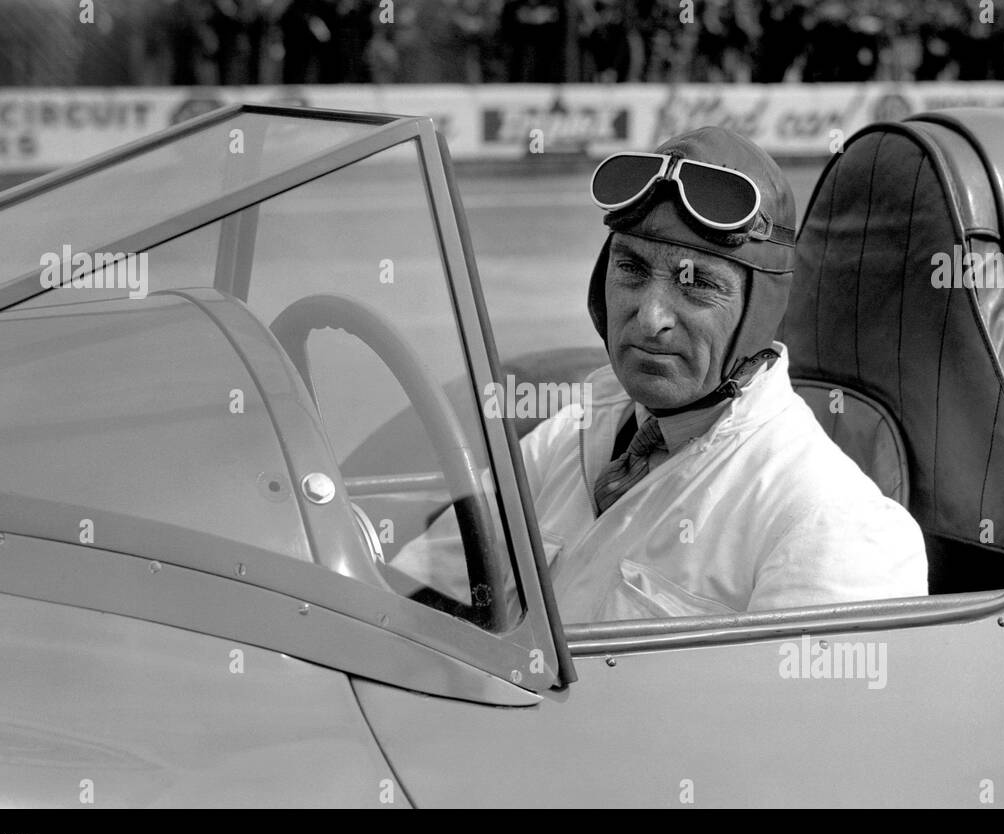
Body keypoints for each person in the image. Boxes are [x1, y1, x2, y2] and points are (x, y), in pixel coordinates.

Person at [393, 126, 928, 622]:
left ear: (759, 308)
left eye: (696, 284)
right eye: (631, 269)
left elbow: (806, 724)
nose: (651, 319)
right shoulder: (572, 432)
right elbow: (429, 592)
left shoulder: (834, 526)